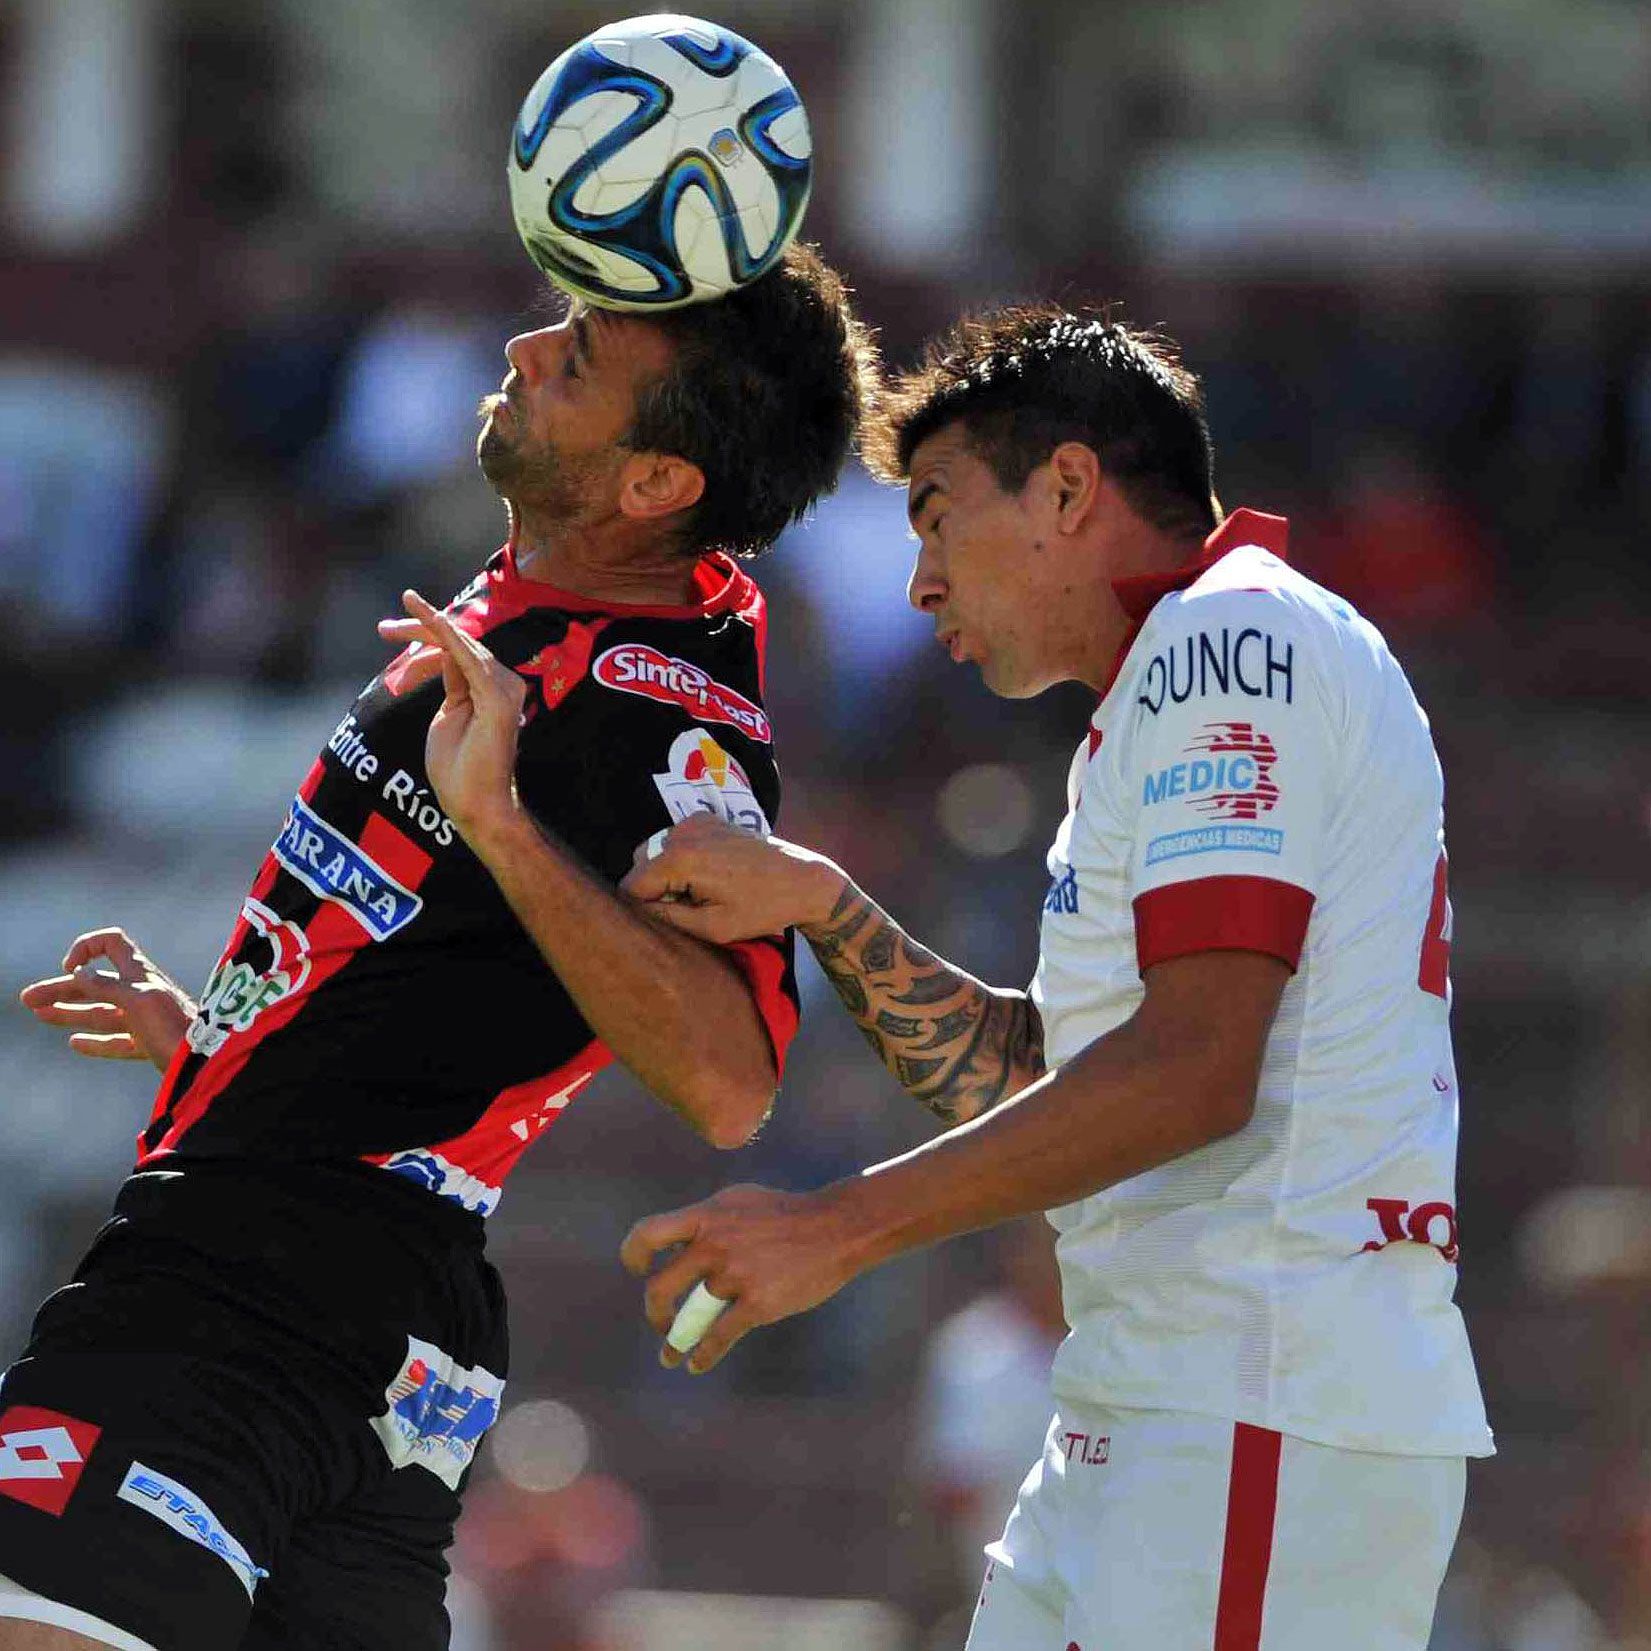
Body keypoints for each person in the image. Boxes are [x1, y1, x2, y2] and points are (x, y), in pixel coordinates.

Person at [2, 244, 878, 1651]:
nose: (530, 350)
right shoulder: (537, 611)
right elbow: (459, 975)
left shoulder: (653, 704)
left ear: (657, 484)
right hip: (379, 1324)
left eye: (581, 360)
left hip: (242, 1289)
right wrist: (232, 1045)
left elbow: (729, 1076)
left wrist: (506, 825)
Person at [621, 306, 1494, 1650]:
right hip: (1152, 1409)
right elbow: (1071, 1086)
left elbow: (1197, 1071)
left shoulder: (1231, 642)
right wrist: (832, 913)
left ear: (1072, 488)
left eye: (936, 514)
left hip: (1260, 1401)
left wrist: (837, 1227)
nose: (920, 582)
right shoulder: (1153, 706)